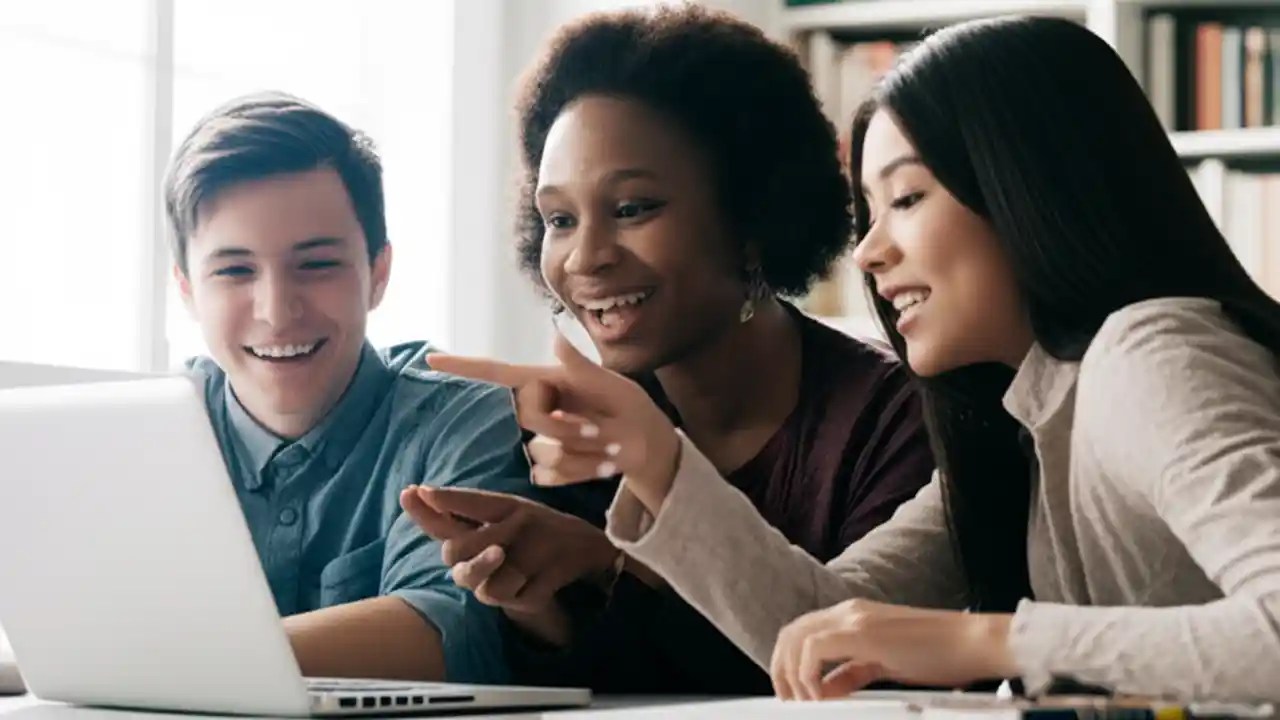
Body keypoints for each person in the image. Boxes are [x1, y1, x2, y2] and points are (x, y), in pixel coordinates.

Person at [417, 15, 1280, 703]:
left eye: (907, 198)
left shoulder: (1147, 353)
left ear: (1030, 185)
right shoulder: (1014, 422)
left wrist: (986, 638)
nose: (867, 254)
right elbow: (819, 629)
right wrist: (652, 453)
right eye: (869, 211)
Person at [398, 5, 935, 694]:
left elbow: (847, 673)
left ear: (750, 216)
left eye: (632, 209)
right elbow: (611, 681)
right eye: (559, 219)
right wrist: (538, 598)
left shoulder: (896, 424)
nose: (584, 258)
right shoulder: (573, 437)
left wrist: (625, 558)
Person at [166, 91, 542, 683]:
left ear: (378, 275)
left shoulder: (462, 418)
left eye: (316, 265)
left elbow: (447, 627)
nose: (276, 311)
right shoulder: (155, 432)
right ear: (187, 290)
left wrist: (165, 662)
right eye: (234, 271)